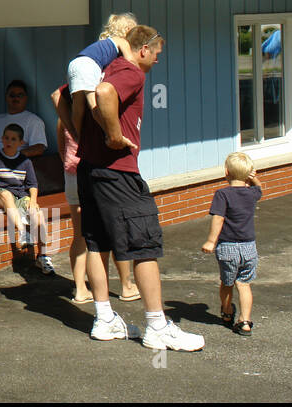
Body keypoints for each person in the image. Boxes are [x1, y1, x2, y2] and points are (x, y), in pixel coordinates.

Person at [78, 24, 204, 350]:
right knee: (144, 244)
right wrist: (112, 135)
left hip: (90, 171)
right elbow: (106, 95)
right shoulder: (131, 72)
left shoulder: (102, 69)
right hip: (118, 173)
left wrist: (85, 137)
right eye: (157, 54)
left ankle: (104, 319)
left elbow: (60, 95)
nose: (158, 61)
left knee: (96, 242)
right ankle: (156, 326)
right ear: (143, 49)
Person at [52, 84, 139, 303]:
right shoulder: (97, 114)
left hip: (72, 176)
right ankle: (127, 286)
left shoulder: (64, 118)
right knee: (113, 230)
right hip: (99, 175)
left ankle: (80, 289)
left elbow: (62, 150)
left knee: (80, 234)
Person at [201, 152, 263, 336]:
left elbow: (218, 218)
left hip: (228, 246)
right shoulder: (252, 193)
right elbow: (259, 189)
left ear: (226, 172)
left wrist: (211, 241)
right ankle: (245, 321)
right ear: (249, 174)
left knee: (227, 283)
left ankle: (227, 312)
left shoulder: (222, 194)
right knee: (244, 284)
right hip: (249, 246)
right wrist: (254, 179)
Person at [0, 124, 55, 274]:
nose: (9, 141)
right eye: (7, 138)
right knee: (6, 194)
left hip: (19, 195)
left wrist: (33, 201)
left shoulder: (25, 162)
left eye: (13, 139)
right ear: (2, 139)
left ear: (21, 143)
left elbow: (32, 184)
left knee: (38, 213)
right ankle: (23, 233)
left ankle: (43, 256)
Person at [59, 13, 137, 139]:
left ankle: (78, 137)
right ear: (128, 29)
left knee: (78, 106)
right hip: (89, 65)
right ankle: (111, 134)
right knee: (94, 105)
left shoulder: (104, 43)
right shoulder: (121, 41)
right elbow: (130, 60)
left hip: (75, 63)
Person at [0, 80, 47, 158]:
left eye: (19, 95)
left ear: (26, 98)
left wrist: (13, 156)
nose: (15, 98)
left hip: (13, 166)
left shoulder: (33, 121)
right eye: (12, 95)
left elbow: (39, 148)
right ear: (6, 97)